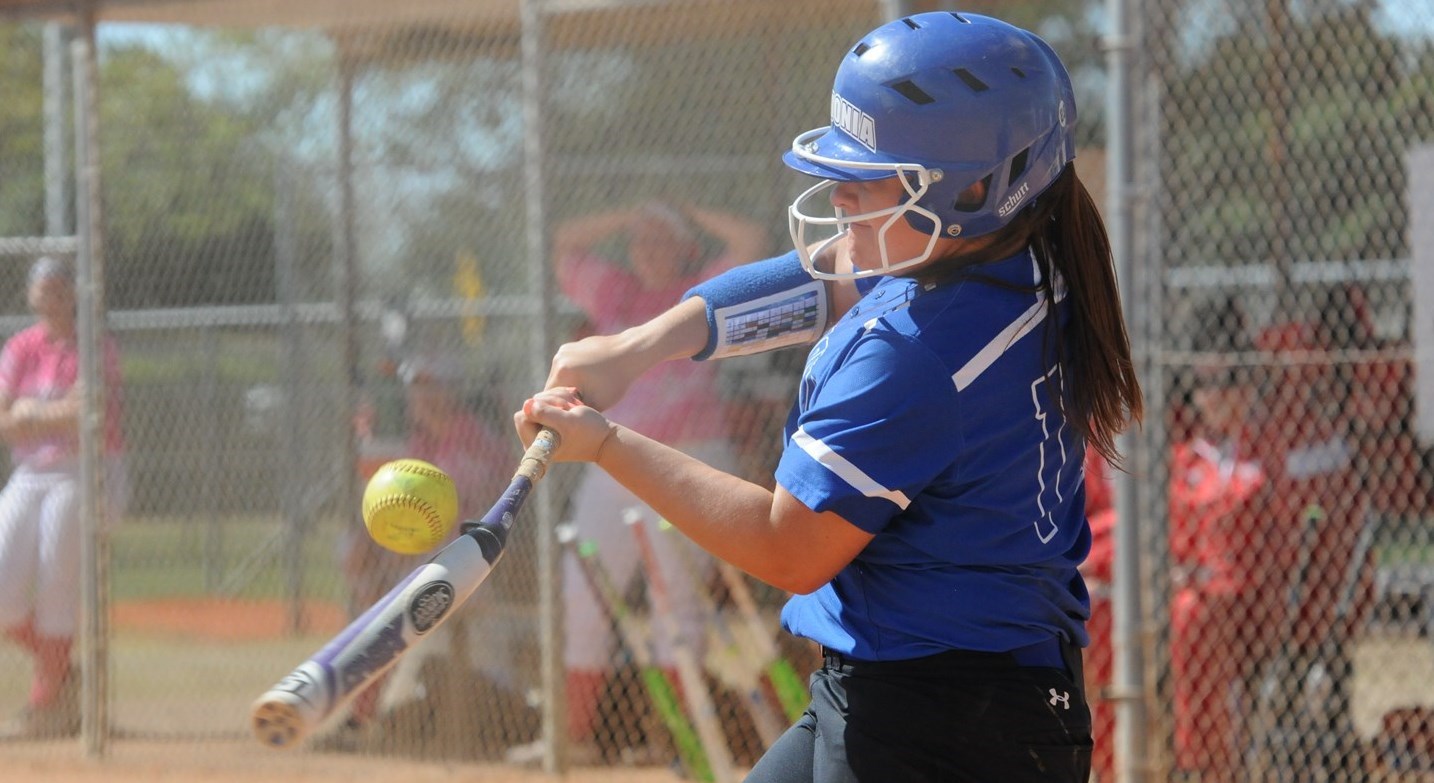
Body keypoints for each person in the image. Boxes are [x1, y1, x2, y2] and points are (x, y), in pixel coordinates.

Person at [517, 12, 1142, 781]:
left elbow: (787, 547)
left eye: (870, 175)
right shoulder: (1012, 255)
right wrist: (636, 347)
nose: (839, 195)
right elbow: (822, 277)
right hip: (934, 690)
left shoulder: (916, 357)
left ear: (978, 187)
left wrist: (606, 443)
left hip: (946, 729)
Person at [549, 199, 766, 752]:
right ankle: (573, 742)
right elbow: (562, 242)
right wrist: (630, 214)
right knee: (583, 593)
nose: (646, 248)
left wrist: (686, 210)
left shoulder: (701, 294)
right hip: (613, 454)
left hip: (691, 460)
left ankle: (680, 746)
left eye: (661, 239)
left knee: (678, 605)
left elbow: (750, 240)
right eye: (639, 240)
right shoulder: (615, 293)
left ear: (685, 247)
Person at [327, 352, 516, 751]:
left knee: (389, 600)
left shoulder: (474, 439)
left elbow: (462, 513)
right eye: (416, 386)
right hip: (426, 564)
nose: (422, 396)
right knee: (359, 563)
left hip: (475, 564)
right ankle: (365, 711)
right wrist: (369, 542)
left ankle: (369, 713)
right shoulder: (421, 444)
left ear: (453, 392)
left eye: (432, 386)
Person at [0, 256, 127, 739]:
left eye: (58, 287)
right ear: (31, 294)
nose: (49, 296)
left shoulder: (95, 346)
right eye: (42, 287)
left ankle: (47, 704)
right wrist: (45, 415)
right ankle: (64, 677)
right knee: (4, 591)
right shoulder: (20, 346)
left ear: (74, 294)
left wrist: (29, 413)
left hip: (83, 470)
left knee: (57, 579)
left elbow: (86, 412)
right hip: (30, 472)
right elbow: (3, 418)